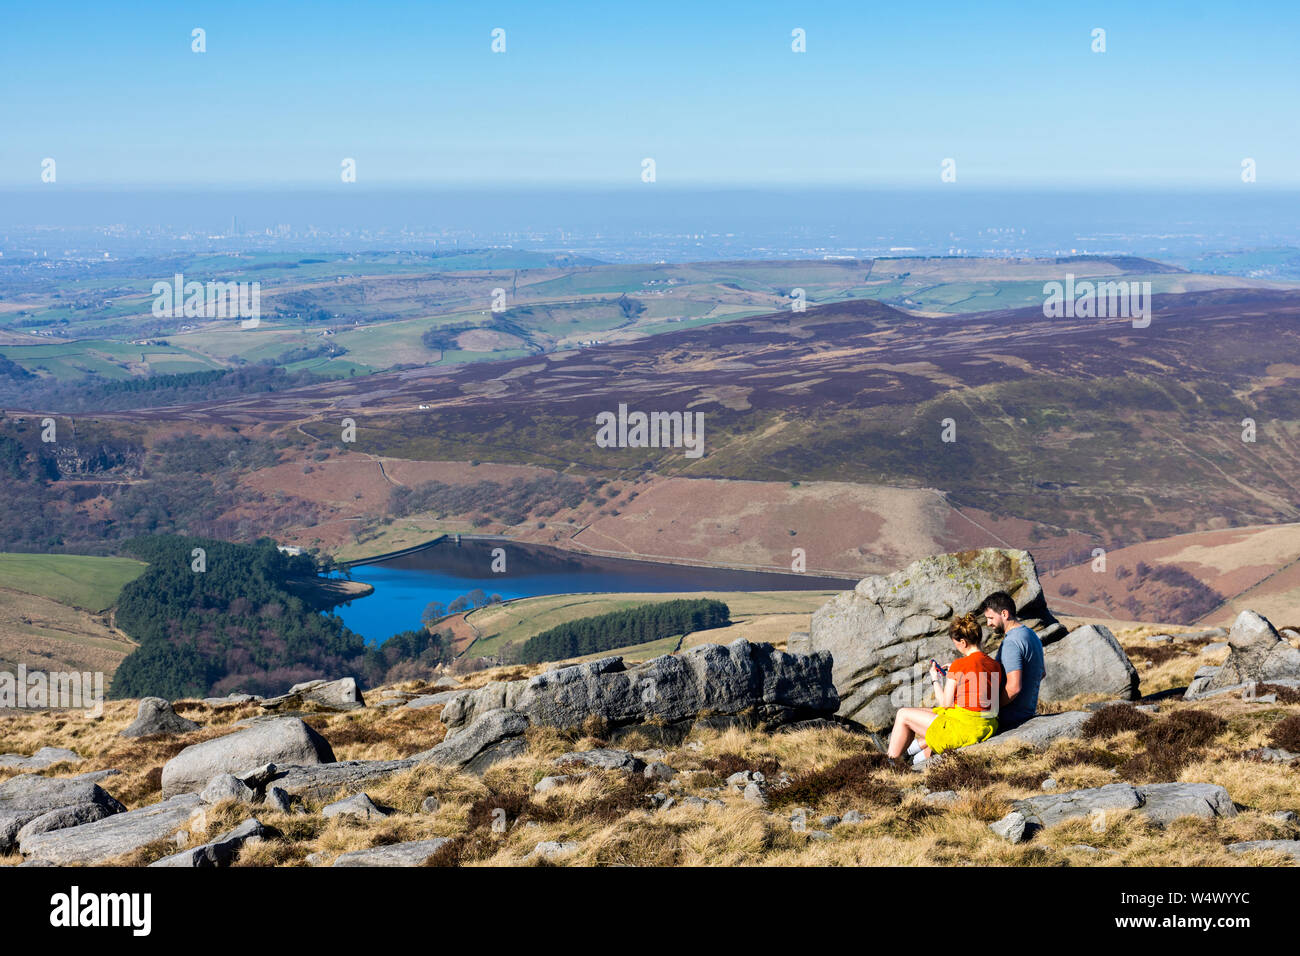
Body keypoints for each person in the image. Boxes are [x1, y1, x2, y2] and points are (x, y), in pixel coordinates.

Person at [887, 613, 1001, 765]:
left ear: (963, 642)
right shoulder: (995, 665)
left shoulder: (960, 665)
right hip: (985, 725)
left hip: (963, 729)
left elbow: (945, 703)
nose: (956, 647)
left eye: (956, 643)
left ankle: (889, 762)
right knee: (929, 712)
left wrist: (936, 678)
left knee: (903, 714)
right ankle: (905, 756)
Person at [977, 591, 1046, 732]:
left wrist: (992, 707)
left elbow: (1014, 688)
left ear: (1004, 614)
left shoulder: (1011, 642)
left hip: (1008, 717)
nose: (988, 623)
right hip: (1026, 712)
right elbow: (1042, 673)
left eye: (990, 618)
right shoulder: (1030, 634)